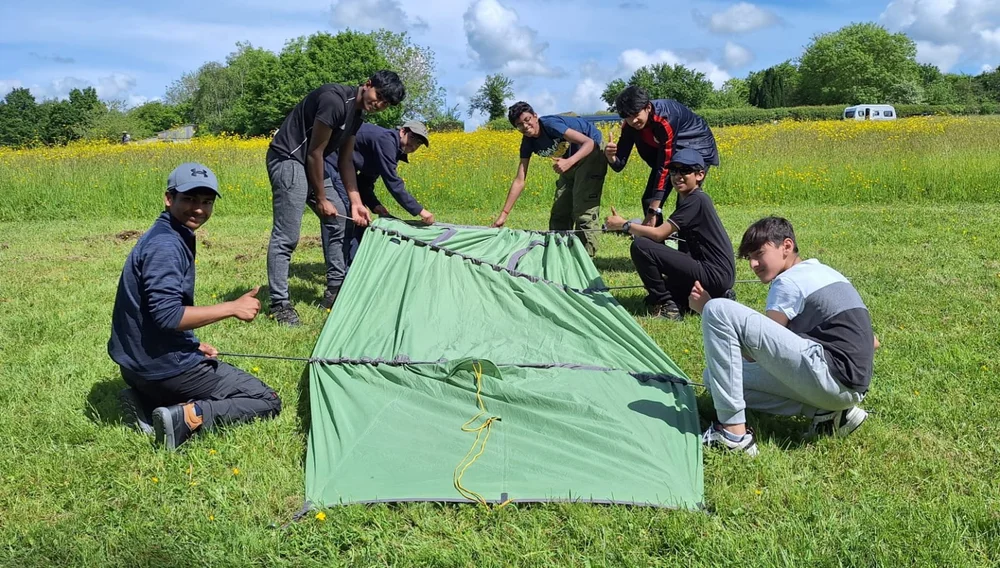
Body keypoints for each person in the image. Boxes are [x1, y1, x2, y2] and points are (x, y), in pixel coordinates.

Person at [109, 163, 282, 451]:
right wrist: (233, 307)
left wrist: (192, 345)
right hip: (163, 371)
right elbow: (168, 316)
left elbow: (154, 314)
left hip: (136, 367)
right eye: (189, 199)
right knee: (266, 399)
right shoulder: (166, 245)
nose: (199, 209)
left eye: (207, 201)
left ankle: (145, 401)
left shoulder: (168, 233)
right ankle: (184, 418)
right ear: (169, 198)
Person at [689, 216, 878, 456]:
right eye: (749, 258)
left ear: (786, 246)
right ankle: (829, 414)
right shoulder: (827, 273)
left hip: (830, 376)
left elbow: (755, 355)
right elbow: (873, 342)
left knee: (718, 309)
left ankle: (732, 434)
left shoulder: (788, 281)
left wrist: (705, 308)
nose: (753, 264)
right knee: (712, 378)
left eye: (759, 254)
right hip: (852, 387)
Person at [266, 71, 406, 325]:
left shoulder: (356, 115)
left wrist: (356, 202)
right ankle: (279, 304)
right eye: (379, 96)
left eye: (386, 104)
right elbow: (315, 153)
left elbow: (345, 161)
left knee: (340, 219)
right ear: (368, 84)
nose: (379, 104)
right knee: (287, 235)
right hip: (288, 158)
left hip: (312, 163)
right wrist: (321, 198)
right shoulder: (335, 101)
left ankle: (335, 290)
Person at [605, 149, 735, 320]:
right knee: (666, 287)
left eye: (685, 171)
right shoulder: (689, 198)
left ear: (700, 175)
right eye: (673, 171)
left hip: (713, 273)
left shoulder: (696, 199)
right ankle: (717, 298)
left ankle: (668, 307)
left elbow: (659, 234)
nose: (677, 176)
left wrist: (624, 225)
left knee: (641, 246)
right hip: (716, 274)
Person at [492, 102, 607, 257]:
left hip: (592, 150)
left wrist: (569, 162)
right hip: (571, 159)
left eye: (527, 120)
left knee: (583, 208)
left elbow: (589, 143)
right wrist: (503, 215)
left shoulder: (550, 125)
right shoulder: (528, 142)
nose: (525, 126)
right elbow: (519, 180)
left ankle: (585, 258)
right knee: (560, 210)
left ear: (535, 116)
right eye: (519, 125)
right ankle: (559, 255)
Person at [325, 120, 434, 273]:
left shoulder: (394, 149)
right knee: (349, 215)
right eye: (413, 138)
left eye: (419, 144)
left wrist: (374, 204)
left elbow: (365, 181)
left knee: (361, 219)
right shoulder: (386, 141)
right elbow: (393, 183)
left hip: (344, 169)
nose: (414, 145)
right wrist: (420, 211)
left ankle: (354, 265)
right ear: (403, 131)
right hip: (331, 163)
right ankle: (342, 271)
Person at [605, 86, 719, 227]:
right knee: (649, 200)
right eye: (628, 117)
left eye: (636, 114)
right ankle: (656, 239)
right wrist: (611, 156)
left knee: (686, 198)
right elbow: (619, 164)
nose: (633, 121)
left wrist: (654, 210)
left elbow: (665, 165)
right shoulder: (629, 126)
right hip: (670, 153)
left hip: (697, 145)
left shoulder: (665, 118)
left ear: (647, 107)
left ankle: (688, 239)